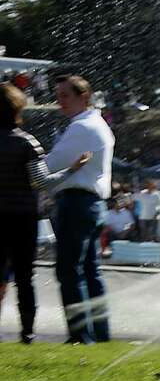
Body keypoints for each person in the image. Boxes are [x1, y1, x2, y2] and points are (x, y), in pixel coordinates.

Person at [0, 82, 88, 343]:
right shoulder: (27, 143)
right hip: (23, 216)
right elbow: (41, 182)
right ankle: (27, 333)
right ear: (17, 108)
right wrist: (72, 170)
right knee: (25, 277)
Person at [45, 75, 115, 344]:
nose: (59, 101)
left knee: (69, 271)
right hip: (94, 204)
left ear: (83, 97)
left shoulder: (81, 127)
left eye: (65, 95)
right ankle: (99, 333)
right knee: (90, 271)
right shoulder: (98, 125)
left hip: (76, 202)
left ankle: (79, 335)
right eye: (58, 95)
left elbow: (50, 165)